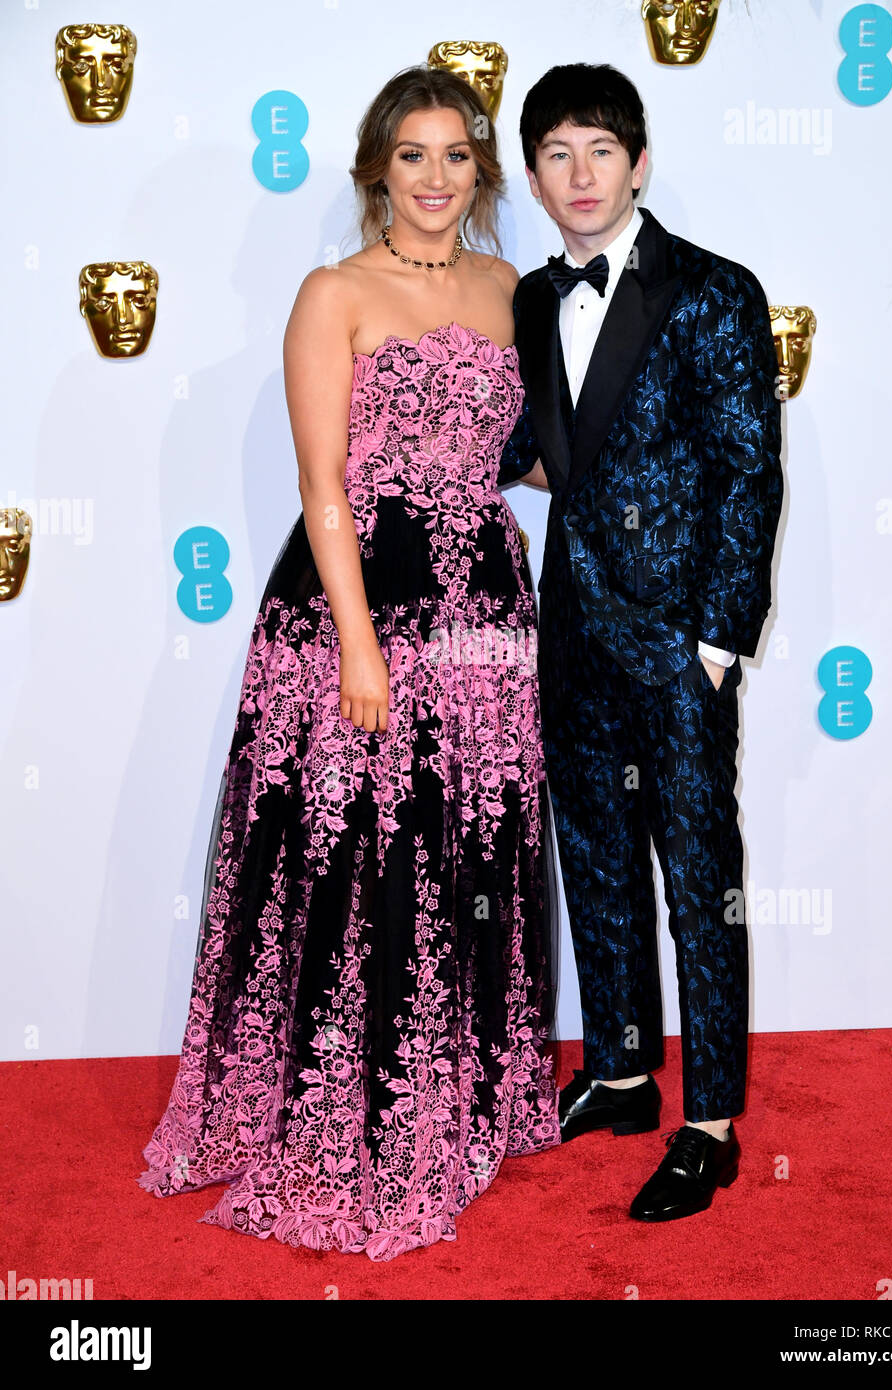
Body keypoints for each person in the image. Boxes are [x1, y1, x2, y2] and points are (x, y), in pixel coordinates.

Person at [138, 65, 560, 1262]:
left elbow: (519, 455)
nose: (434, 178)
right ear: (377, 167)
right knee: (362, 854)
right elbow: (323, 488)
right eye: (411, 155)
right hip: (357, 604)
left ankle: (457, 1090)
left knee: (463, 842)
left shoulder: (508, 289)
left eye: (456, 156)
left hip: (484, 607)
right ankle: (351, 1106)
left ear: (481, 172)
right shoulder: (334, 293)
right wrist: (359, 645)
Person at [498, 63, 783, 1221]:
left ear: (638, 163)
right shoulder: (526, 298)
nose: (578, 174)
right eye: (556, 154)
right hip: (570, 633)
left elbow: (746, 472)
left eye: (599, 152)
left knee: (697, 879)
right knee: (598, 864)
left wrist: (716, 641)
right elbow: (540, 443)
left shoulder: (712, 290)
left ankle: (707, 1124)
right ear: (532, 175)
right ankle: (618, 1073)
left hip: (675, 643)